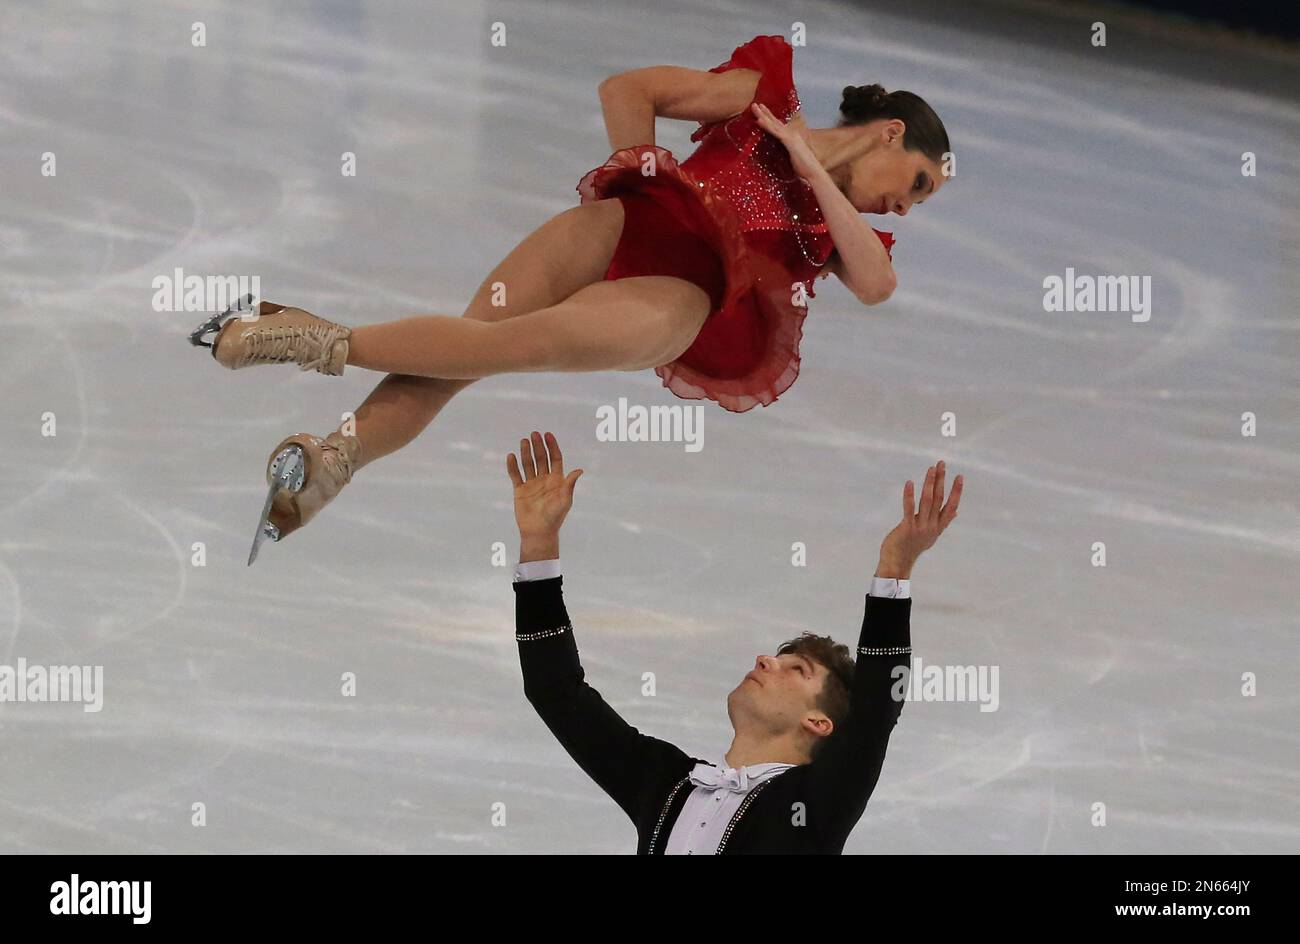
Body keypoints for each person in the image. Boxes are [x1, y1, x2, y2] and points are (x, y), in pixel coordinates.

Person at [189, 35, 951, 562]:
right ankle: (332, 462)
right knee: (458, 352)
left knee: (504, 346)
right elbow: (628, 89)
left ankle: (305, 338)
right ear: (889, 133)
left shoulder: (843, 234)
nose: (907, 209)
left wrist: (807, 165)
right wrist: (638, 167)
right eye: (917, 183)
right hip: (621, 224)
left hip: (677, 297)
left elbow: (878, 287)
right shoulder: (762, 96)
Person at [507, 431, 962, 854]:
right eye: (778, 658)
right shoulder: (665, 784)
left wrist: (895, 567)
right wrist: (540, 543)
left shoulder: (814, 805)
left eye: (796, 669)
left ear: (819, 722)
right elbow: (556, 690)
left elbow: (876, 709)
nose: (766, 661)